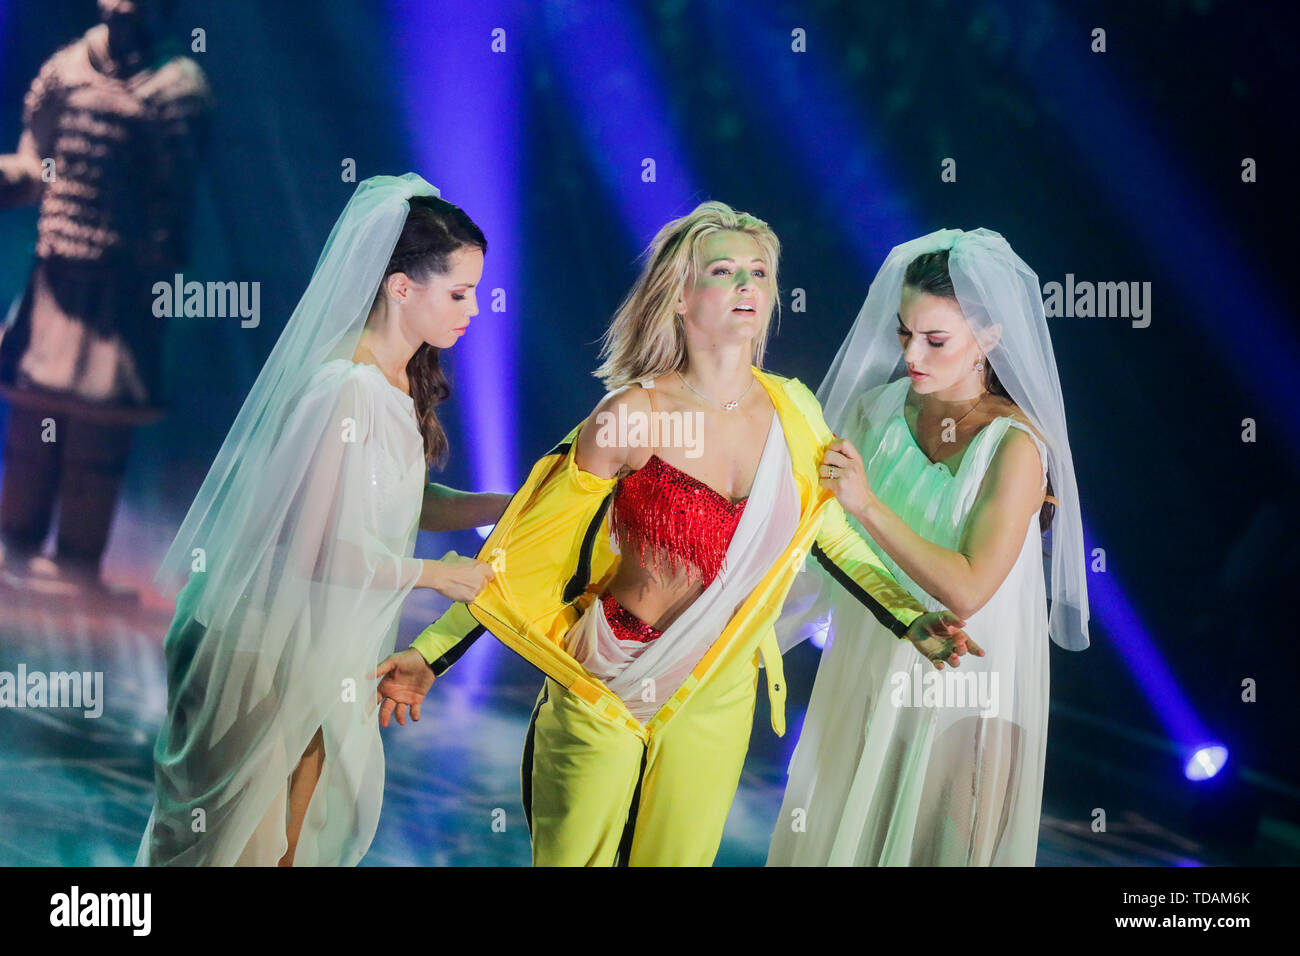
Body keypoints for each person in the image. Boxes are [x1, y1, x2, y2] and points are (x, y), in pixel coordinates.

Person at [373, 202, 975, 866]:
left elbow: (826, 530)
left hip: (717, 684)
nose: (747, 285)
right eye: (724, 271)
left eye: (759, 272)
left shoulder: (796, 411)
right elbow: (524, 547)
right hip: (606, 674)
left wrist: (911, 614)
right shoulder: (632, 413)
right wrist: (430, 654)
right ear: (682, 296)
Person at [136, 174, 504, 866]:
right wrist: (435, 575)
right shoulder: (344, 391)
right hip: (259, 649)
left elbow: (399, 504)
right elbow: (317, 553)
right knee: (232, 845)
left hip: (319, 647)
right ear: (401, 288)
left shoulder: (395, 385)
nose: (474, 310)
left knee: (296, 844)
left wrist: (505, 506)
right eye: (458, 293)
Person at [767, 228, 1089, 866]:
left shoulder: (1015, 448)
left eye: (936, 339)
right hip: (866, 660)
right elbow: (814, 540)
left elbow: (969, 588)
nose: (913, 354)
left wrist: (868, 505)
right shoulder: (872, 413)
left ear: (988, 341)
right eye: (903, 334)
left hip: (965, 681)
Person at [0, 0, 212, 596]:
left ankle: (75, 562)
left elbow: (176, 204)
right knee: (31, 429)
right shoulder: (66, 70)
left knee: (97, 432)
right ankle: (15, 544)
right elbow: (33, 167)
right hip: (54, 283)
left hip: (121, 297)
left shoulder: (177, 88)